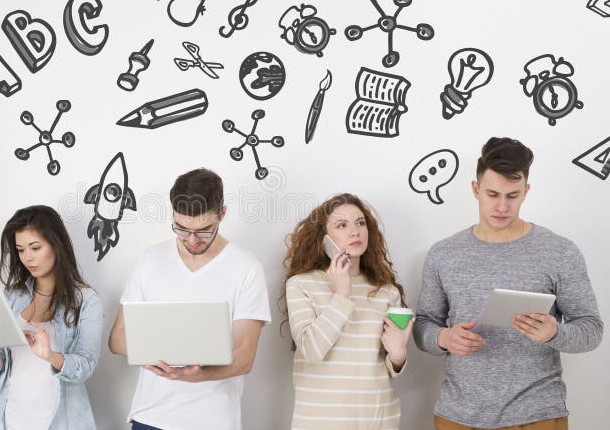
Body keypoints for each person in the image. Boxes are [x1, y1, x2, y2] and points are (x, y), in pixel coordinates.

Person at [413, 137, 604, 430]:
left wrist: (556, 333)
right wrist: (444, 338)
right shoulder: (443, 253)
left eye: (512, 195)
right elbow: (423, 324)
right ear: (475, 190)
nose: (502, 206)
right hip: (458, 416)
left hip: (536, 416)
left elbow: (591, 329)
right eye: (492, 194)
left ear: (526, 192)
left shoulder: (559, 251)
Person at [108, 168, 271, 430]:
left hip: (213, 421)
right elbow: (117, 340)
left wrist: (195, 375)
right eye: (181, 229)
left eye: (204, 230)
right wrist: (167, 354)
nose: (192, 240)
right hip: (150, 417)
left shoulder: (246, 268)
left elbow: (243, 357)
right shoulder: (150, 261)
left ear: (222, 214)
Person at [283, 193, 413, 429]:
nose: (355, 232)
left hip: (379, 421)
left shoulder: (387, 291)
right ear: (323, 238)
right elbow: (311, 351)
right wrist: (341, 294)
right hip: (321, 423)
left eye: (360, 223)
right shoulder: (301, 285)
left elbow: (389, 367)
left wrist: (398, 355)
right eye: (342, 225)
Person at [0, 205, 103, 430]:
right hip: (10, 418)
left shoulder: (86, 300)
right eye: (21, 250)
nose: (28, 258)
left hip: (60, 421)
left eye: (35, 247)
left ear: (56, 244)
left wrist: (50, 355)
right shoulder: (13, 296)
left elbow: (86, 365)